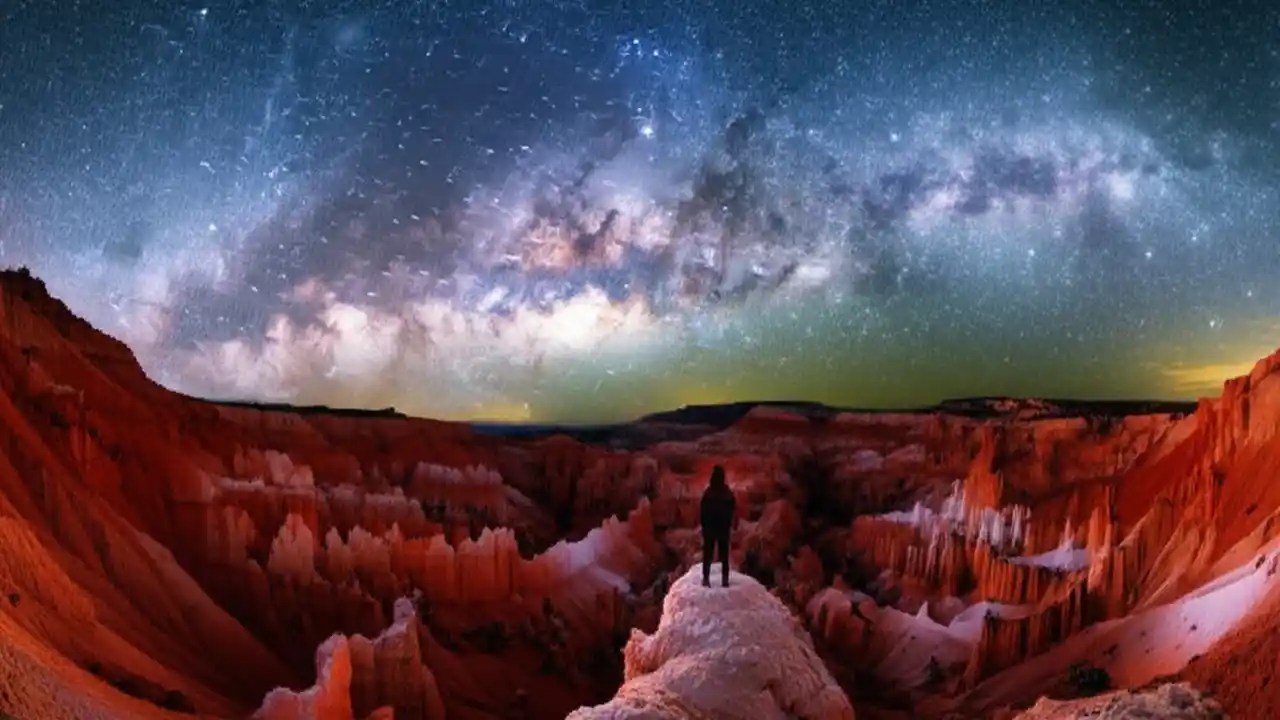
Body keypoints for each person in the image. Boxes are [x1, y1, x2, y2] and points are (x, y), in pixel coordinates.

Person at [700, 464, 736, 587]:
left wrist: (704, 526)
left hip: (710, 529)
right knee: (724, 555)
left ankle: (706, 579)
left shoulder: (708, 493)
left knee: (708, 554)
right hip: (723, 529)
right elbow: (732, 509)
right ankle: (724, 581)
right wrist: (730, 524)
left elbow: (703, 511)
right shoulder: (727, 493)